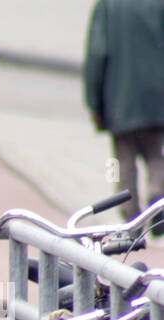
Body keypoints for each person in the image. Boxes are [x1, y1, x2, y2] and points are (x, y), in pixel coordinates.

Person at [84, 0, 164, 234]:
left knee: (122, 159)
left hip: (120, 94)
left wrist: (94, 101)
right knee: (155, 153)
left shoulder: (109, 5)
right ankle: (158, 191)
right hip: (156, 95)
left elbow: (97, 54)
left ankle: (130, 216)